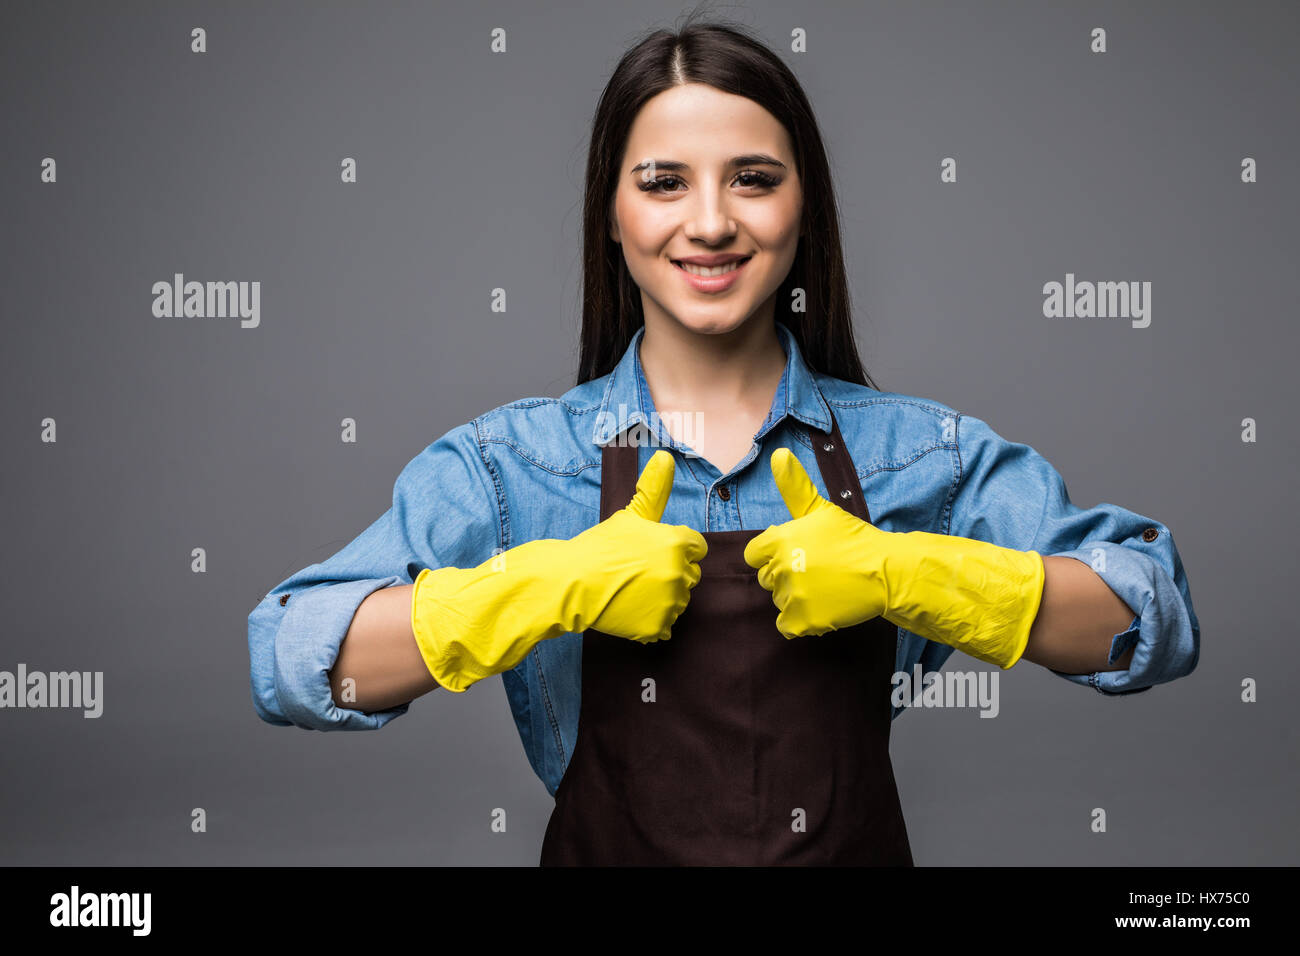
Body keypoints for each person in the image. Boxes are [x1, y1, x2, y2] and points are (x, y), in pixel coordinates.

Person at [246, 18, 1199, 865]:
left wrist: (910, 573)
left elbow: (1152, 620)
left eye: (753, 179)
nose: (710, 222)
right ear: (612, 217)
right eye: (663, 183)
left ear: (802, 208)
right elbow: (290, 658)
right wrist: (543, 585)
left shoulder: (919, 457)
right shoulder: (513, 469)